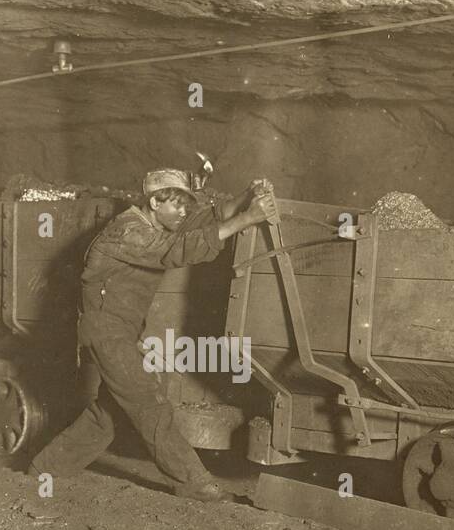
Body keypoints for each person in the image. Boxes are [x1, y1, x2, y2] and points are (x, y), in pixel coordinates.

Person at [30, 168, 273, 500]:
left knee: (108, 416)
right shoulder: (127, 231)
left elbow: (207, 219)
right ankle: (193, 482)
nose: (183, 212)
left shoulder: (157, 224)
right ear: (155, 201)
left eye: (186, 206)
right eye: (177, 205)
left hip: (123, 331)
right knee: (149, 402)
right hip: (106, 332)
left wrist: (247, 194)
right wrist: (249, 219)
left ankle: (46, 468)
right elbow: (177, 251)